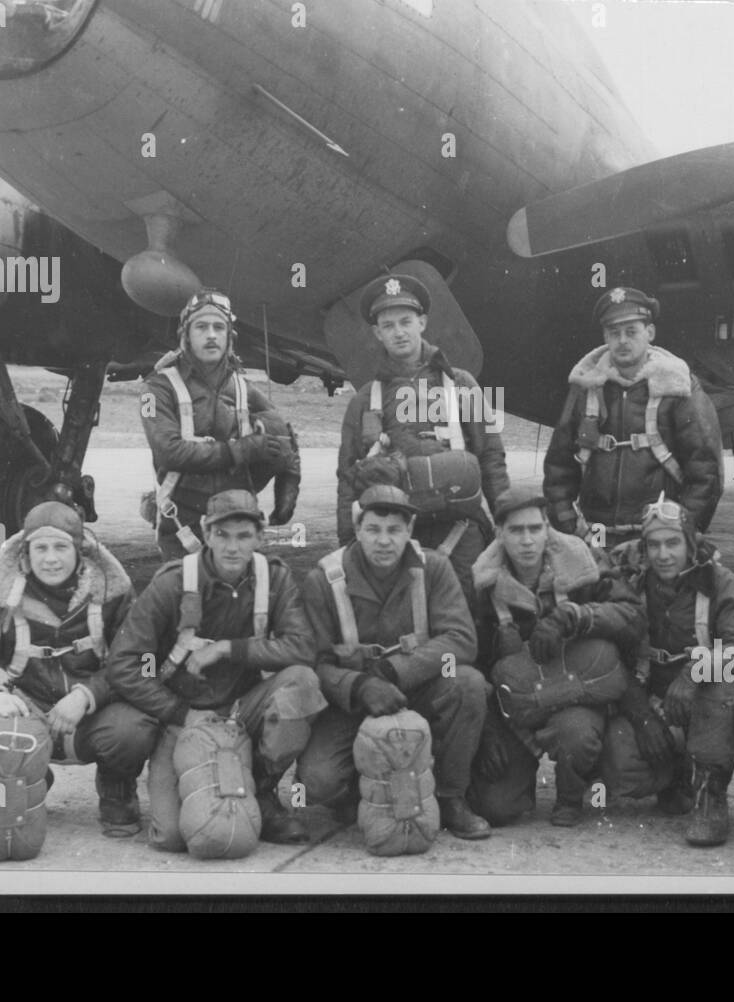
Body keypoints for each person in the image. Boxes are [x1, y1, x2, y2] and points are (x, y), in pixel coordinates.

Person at [107, 490, 326, 847]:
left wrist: (229, 649)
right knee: (172, 837)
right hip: (180, 718)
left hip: (242, 711)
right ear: (206, 534)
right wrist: (178, 712)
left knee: (301, 683)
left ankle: (263, 788)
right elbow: (124, 664)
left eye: (243, 536)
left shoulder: (274, 578)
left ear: (259, 537)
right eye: (222, 535)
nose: (232, 547)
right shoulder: (173, 582)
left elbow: (302, 646)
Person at [0, 501, 151, 835]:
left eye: (61, 547)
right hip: (25, 716)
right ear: (26, 553)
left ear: (80, 550)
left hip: (90, 717)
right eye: (41, 548)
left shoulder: (111, 593)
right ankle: (27, 778)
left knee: (134, 730)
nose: (51, 559)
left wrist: (87, 695)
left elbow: (140, 663)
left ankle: (117, 790)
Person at [297, 484, 492, 840]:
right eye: (373, 529)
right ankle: (356, 792)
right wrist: (359, 685)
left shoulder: (433, 567)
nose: (383, 541)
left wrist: (394, 670)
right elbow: (313, 663)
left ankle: (451, 797)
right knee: (317, 783)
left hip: (417, 688)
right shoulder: (322, 580)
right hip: (351, 701)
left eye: (394, 530)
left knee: (467, 683)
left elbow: (461, 639)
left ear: (410, 530)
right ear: (357, 530)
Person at [465, 484, 643, 827]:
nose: (527, 540)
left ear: (548, 529)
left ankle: (573, 794)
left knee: (576, 734)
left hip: (577, 692)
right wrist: (488, 733)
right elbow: (473, 660)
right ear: (499, 534)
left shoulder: (581, 561)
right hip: (518, 705)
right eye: (516, 530)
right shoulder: (482, 585)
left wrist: (575, 616)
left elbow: (632, 616)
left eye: (535, 528)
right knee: (498, 807)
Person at [335, 273, 510, 601]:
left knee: (472, 616)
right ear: (377, 333)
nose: (399, 332)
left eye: (406, 321)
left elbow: (491, 458)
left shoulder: (462, 385)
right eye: (388, 325)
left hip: (461, 529)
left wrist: (506, 522)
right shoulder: (364, 401)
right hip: (397, 534)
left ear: (423, 322)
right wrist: (348, 545)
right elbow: (348, 479)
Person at [602, 498, 734, 846]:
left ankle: (710, 796)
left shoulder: (720, 581)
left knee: (721, 685)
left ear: (690, 544)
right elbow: (614, 654)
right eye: (654, 545)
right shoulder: (631, 581)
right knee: (620, 761)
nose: (663, 554)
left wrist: (694, 673)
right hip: (658, 698)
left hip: (710, 699)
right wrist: (643, 717)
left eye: (673, 543)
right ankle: (675, 777)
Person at [544, 286, 723, 549]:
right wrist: (570, 528)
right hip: (595, 539)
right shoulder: (586, 388)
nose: (622, 340)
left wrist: (679, 535)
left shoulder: (678, 388)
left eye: (631, 331)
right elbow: (558, 469)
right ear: (605, 336)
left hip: (655, 539)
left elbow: (705, 472)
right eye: (614, 333)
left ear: (649, 333)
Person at [142, 290, 301, 560]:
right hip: (184, 517)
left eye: (219, 327)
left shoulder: (241, 387)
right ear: (186, 335)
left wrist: (289, 483)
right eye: (201, 327)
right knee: (186, 594)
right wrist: (239, 450)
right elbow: (168, 451)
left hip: (237, 515)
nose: (211, 335)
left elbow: (283, 434)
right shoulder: (158, 387)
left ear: (229, 337)